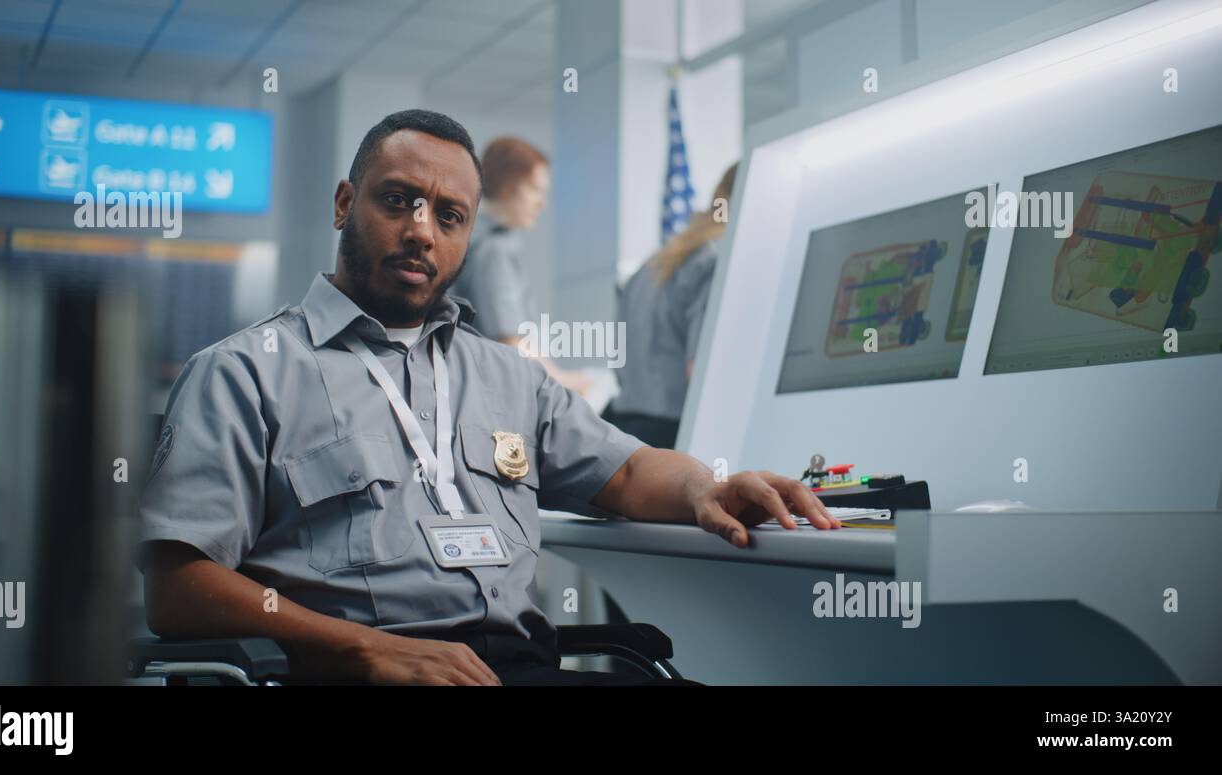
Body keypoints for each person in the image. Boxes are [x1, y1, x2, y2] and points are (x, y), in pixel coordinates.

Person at [137, 111, 837, 687]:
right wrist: (360, 648)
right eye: (396, 200)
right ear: (345, 203)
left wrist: (707, 487)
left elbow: (622, 471)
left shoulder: (508, 377)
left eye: (449, 215)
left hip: (516, 669)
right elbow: (177, 589)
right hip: (351, 670)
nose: (421, 229)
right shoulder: (242, 373)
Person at [604, 163, 738, 449]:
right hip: (671, 434)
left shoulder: (658, 259)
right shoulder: (715, 259)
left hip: (622, 426)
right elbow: (699, 367)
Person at [450, 136, 592, 393]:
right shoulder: (494, 248)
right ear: (508, 186)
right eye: (535, 190)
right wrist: (562, 381)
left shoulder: (474, 238)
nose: (542, 203)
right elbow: (511, 342)